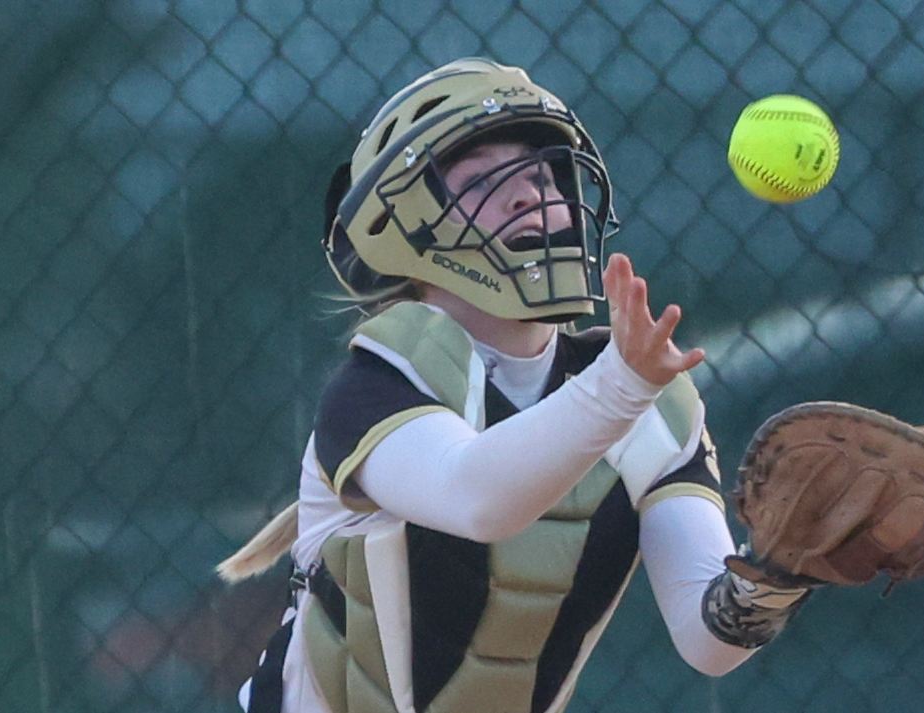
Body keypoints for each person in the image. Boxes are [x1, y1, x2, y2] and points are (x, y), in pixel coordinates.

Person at [217, 57, 811, 713]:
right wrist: (621, 386)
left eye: (543, 175)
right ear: (404, 222)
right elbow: (478, 498)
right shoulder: (378, 384)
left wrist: (780, 568)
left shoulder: (642, 394)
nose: (533, 193)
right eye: (482, 180)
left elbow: (710, 640)